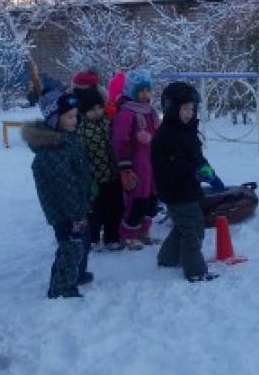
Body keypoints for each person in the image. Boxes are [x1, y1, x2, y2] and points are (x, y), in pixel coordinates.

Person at [24, 90, 93, 298]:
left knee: (81, 243)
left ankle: (76, 274)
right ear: (55, 119)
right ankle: (61, 288)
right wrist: (77, 213)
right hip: (66, 212)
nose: (75, 120)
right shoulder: (52, 152)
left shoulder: (66, 139)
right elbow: (65, 188)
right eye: (70, 116)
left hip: (76, 206)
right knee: (71, 246)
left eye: (76, 115)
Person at [152, 81, 221, 283]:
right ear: (171, 108)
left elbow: (195, 155)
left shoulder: (188, 129)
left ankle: (167, 258)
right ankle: (195, 271)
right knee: (193, 229)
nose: (189, 113)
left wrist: (205, 167)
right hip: (176, 190)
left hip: (188, 188)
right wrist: (195, 173)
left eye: (191, 108)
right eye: (184, 108)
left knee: (184, 224)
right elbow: (175, 167)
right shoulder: (166, 135)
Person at [110, 69, 159, 249]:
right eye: (141, 90)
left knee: (152, 198)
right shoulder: (126, 113)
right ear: (132, 91)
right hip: (137, 164)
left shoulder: (150, 111)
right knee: (137, 198)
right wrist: (125, 166)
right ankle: (128, 234)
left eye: (148, 90)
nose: (145, 94)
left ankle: (144, 230)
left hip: (152, 163)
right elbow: (120, 140)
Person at [76, 86, 123, 251]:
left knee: (114, 208)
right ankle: (93, 237)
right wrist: (87, 179)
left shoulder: (108, 122)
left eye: (99, 108)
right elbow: (80, 156)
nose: (97, 112)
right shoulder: (81, 129)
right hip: (95, 179)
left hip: (113, 175)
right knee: (95, 211)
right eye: (92, 109)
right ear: (84, 111)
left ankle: (112, 237)